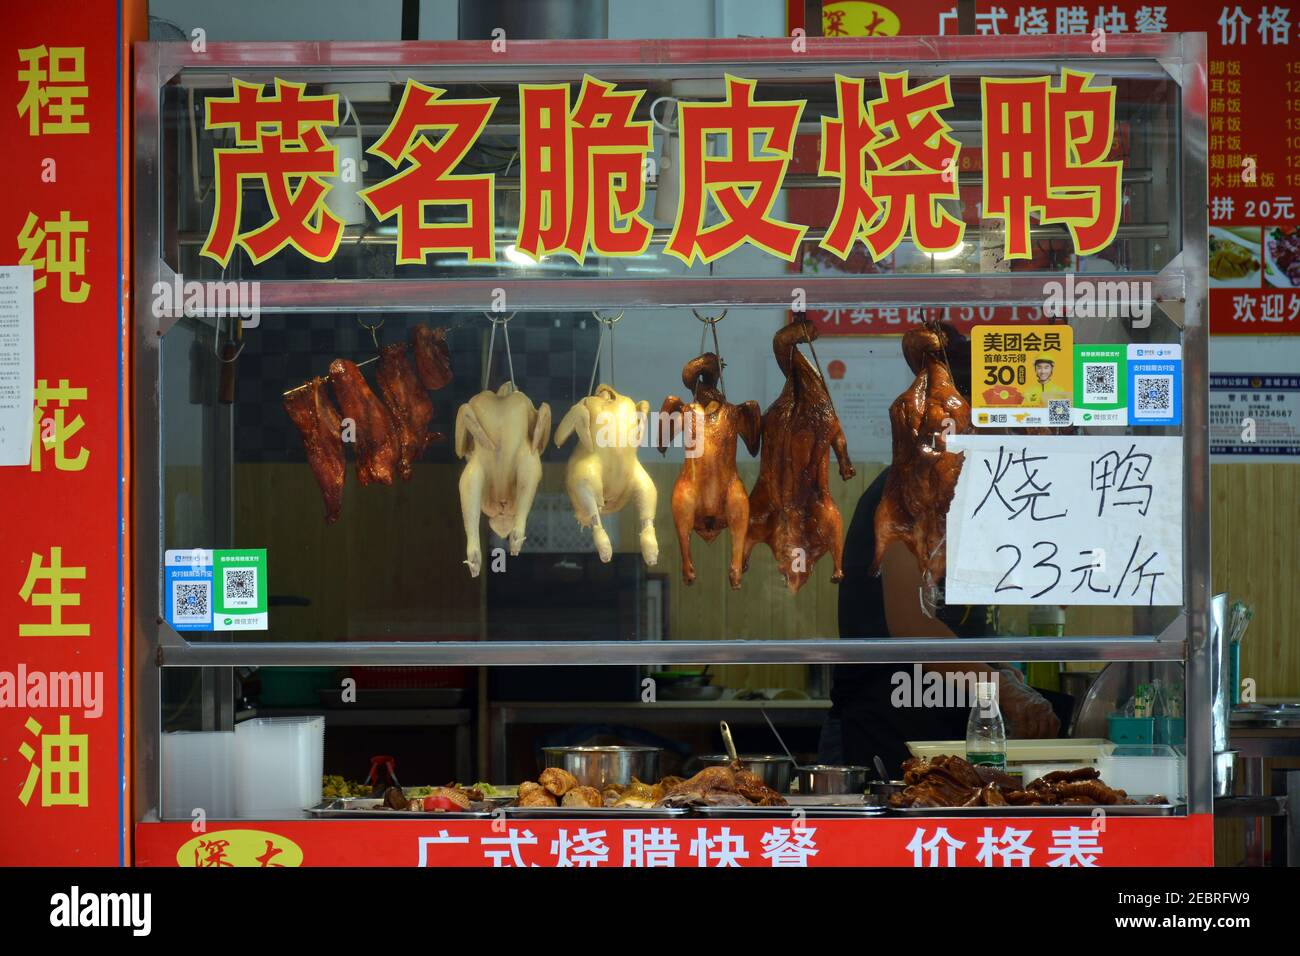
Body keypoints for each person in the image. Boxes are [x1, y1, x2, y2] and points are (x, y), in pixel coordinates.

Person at [823, 324, 1060, 775]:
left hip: (950, 733)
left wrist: (1004, 676)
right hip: (885, 731)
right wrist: (1002, 689)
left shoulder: (969, 496)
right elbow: (912, 623)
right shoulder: (907, 495)